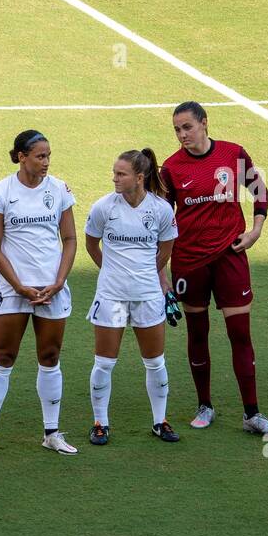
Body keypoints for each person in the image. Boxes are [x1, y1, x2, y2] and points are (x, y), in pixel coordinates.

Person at [162, 101, 268, 435]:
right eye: (177, 129)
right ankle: (205, 405)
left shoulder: (232, 153)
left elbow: (258, 190)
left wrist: (255, 230)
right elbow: (160, 218)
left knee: (240, 334)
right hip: (189, 260)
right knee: (197, 333)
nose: (182, 134)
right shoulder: (171, 168)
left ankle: (251, 413)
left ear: (204, 123)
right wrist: (162, 271)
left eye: (187, 127)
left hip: (230, 255)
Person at [0, 129, 79, 458]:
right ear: (22, 157)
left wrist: (59, 281)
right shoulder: (0, 192)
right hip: (14, 289)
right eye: (40, 156)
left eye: (48, 155)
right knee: (4, 357)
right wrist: (18, 285)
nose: (46, 161)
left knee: (49, 358)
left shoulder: (60, 189)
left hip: (52, 289)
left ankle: (51, 432)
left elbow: (69, 239)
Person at [84, 149, 181, 445]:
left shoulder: (161, 210)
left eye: (121, 174)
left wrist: (148, 276)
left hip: (148, 296)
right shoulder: (104, 207)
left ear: (139, 178)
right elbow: (91, 244)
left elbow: (166, 249)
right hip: (111, 295)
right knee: (104, 363)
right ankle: (100, 422)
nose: (114, 178)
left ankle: (159, 421)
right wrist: (112, 272)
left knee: (155, 362)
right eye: (114, 173)